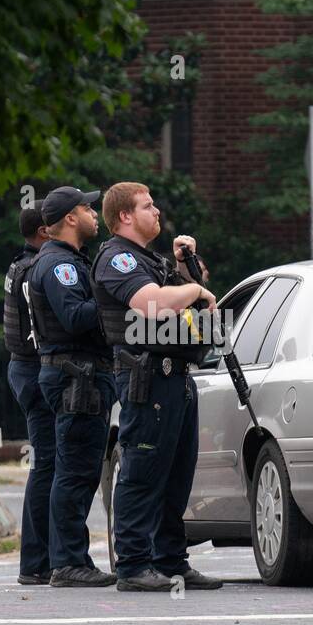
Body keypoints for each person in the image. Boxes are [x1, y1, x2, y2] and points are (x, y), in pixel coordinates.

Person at [91, 181, 223, 592]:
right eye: (148, 206)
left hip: (177, 378)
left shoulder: (147, 258)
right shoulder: (117, 259)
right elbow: (153, 304)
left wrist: (186, 267)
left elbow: (184, 301)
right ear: (125, 216)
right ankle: (132, 564)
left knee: (176, 475)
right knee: (143, 471)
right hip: (147, 379)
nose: (157, 212)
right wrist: (196, 288)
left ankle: (171, 559)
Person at [25, 186, 117, 588]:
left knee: (75, 468)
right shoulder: (59, 265)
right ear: (69, 219)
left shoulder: (69, 261)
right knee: (75, 471)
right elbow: (76, 316)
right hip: (75, 376)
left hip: (79, 373)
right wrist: (117, 301)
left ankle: (69, 558)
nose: (94, 213)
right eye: (87, 207)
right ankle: (68, 562)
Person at [3, 205, 55, 585]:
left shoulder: (20, 264)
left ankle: (38, 559)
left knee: (46, 466)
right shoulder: (35, 270)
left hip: (23, 369)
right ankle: (37, 562)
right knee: (48, 466)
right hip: (35, 373)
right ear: (43, 231)